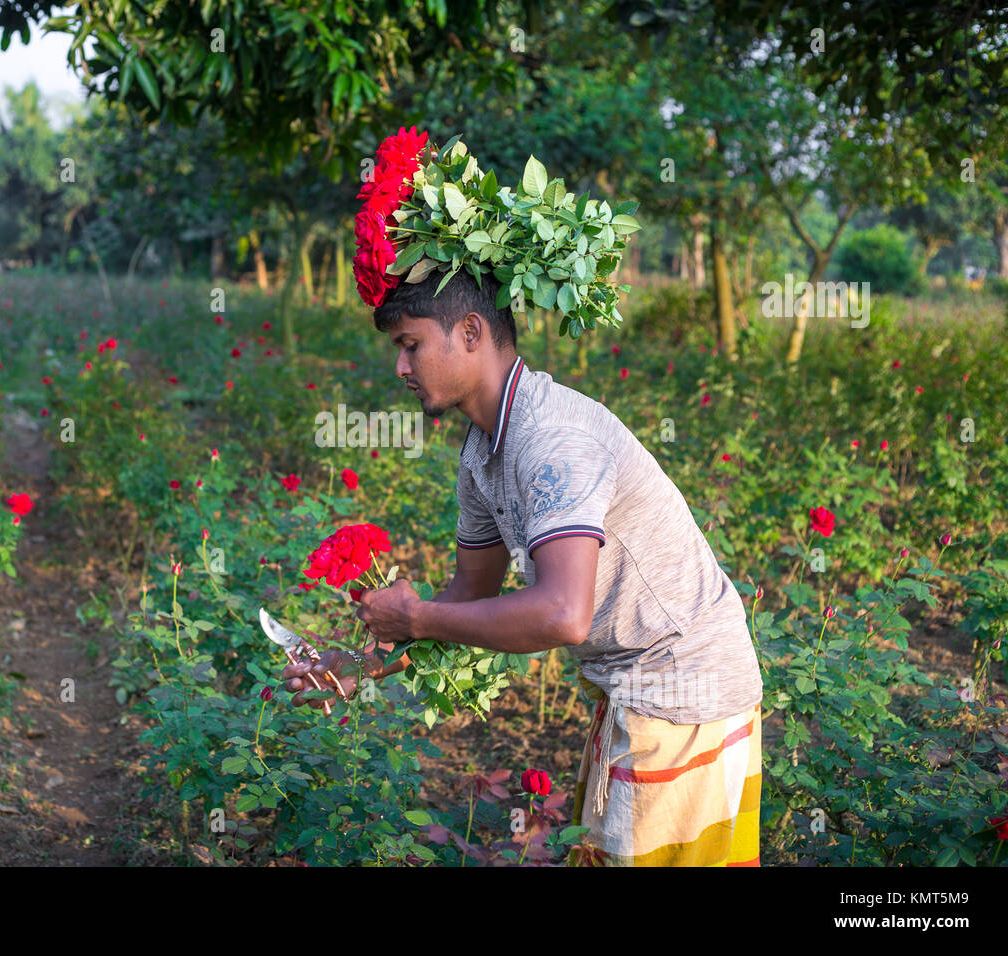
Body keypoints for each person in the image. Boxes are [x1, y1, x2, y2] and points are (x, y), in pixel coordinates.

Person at [282, 267, 764, 866]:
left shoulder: (552, 438)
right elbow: (469, 590)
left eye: (410, 345)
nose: (400, 368)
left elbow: (563, 615)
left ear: (470, 331)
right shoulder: (484, 447)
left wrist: (417, 616)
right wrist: (357, 665)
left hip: (683, 689)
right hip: (635, 689)